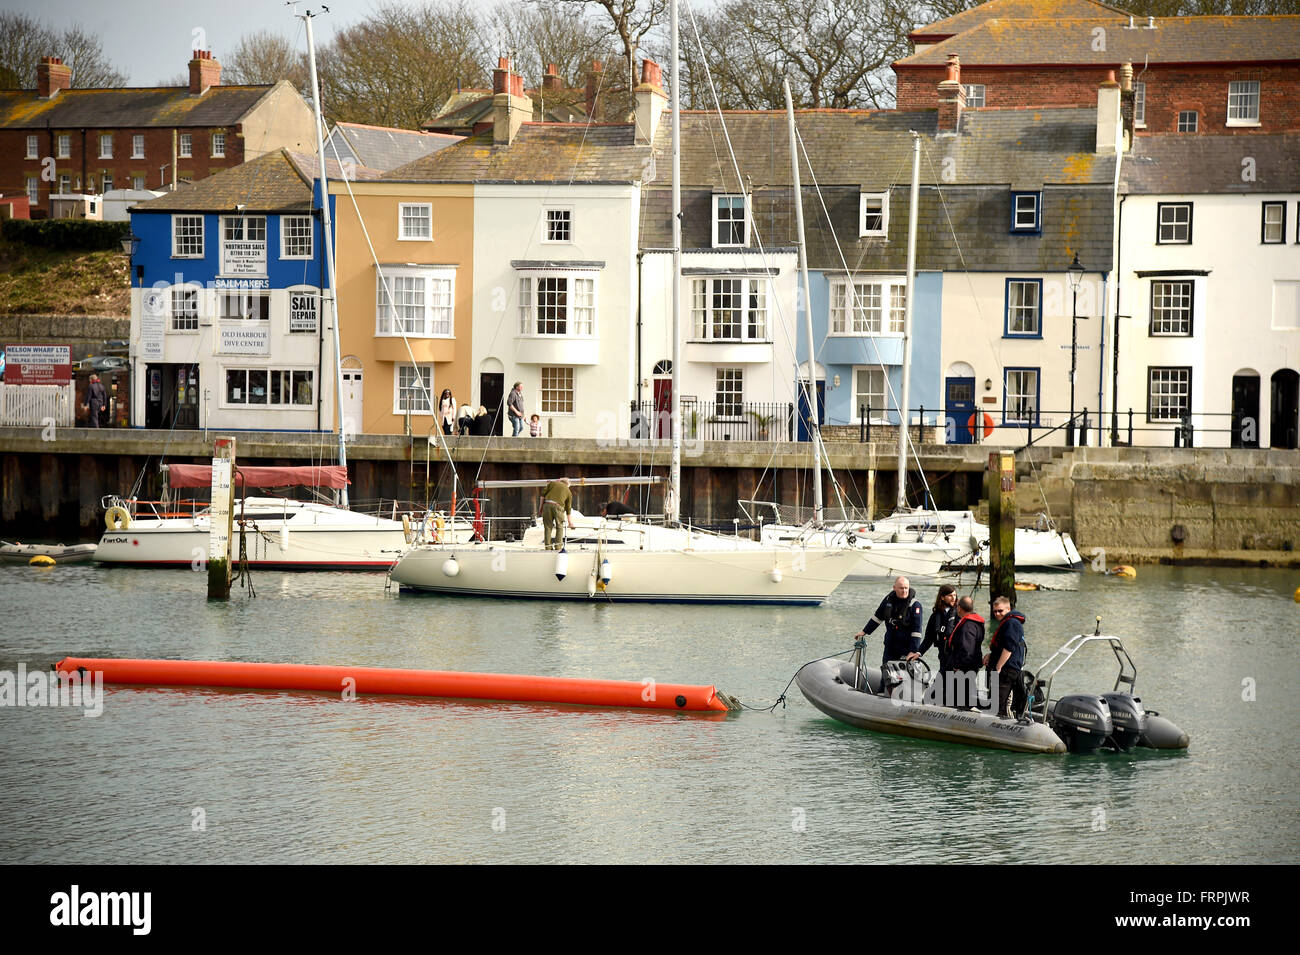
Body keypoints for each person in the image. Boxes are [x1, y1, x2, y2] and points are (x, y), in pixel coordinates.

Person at [857, 576, 923, 667]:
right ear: (894, 588)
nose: (904, 591)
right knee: (886, 676)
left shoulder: (915, 605)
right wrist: (864, 631)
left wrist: (913, 650)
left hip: (906, 649)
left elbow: (917, 630)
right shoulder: (888, 600)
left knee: (903, 678)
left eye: (906, 588)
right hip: (890, 647)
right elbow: (877, 617)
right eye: (901, 588)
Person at [984, 596, 1027, 719]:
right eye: (995, 611)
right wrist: (991, 655)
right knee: (997, 702)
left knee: (997, 704)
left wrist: (998, 667)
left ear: (1008, 609)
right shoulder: (1008, 622)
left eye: (1000, 611)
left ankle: (999, 725)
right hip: (1007, 668)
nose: (997, 614)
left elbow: (1009, 648)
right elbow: (1003, 646)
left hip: (1007, 670)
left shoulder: (1011, 623)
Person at [940, 595, 985, 708]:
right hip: (971, 665)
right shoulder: (977, 623)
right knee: (964, 695)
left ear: (959, 608)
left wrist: (958, 666)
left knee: (956, 697)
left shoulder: (968, 625)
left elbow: (967, 649)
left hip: (963, 668)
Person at [909, 584, 957, 669]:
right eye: (950, 595)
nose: (953, 598)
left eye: (954, 595)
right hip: (943, 659)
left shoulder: (959, 614)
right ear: (942, 597)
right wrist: (919, 653)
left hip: (956, 660)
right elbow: (929, 638)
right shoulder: (935, 616)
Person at [541, 476, 576, 550]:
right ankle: (558, 546)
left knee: (547, 527)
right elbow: (568, 509)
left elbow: (542, 495)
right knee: (559, 527)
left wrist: (540, 507)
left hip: (547, 505)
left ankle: (548, 547)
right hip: (558, 507)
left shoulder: (552, 483)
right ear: (567, 485)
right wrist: (570, 523)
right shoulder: (568, 491)